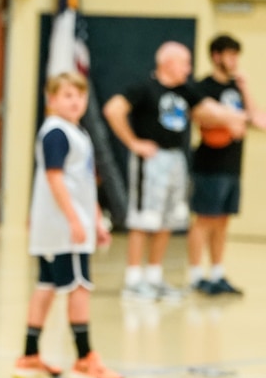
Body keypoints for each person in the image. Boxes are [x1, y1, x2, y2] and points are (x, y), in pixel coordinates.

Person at [103, 41, 247, 300]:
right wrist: (133, 142)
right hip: (151, 159)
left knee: (167, 218)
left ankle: (154, 277)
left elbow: (210, 110)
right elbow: (113, 109)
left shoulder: (185, 90)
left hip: (175, 159)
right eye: (185, 63)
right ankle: (134, 279)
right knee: (143, 218)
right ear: (167, 63)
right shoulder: (144, 87)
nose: (188, 68)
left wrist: (240, 117)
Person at [13, 72, 123, 378]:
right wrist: (77, 221)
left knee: (47, 286)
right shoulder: (56, 133)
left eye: (79, 96)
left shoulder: (76, 132)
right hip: (64, 229)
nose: (75, 102)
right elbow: (55, 178)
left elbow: (84, 185)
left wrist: (97, 220)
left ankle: (30, 355)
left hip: (62, 227)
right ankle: (85, 358)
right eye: (67, 96)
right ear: (51, 100)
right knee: (79, 287)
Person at [187, 34, 266, 296]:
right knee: (204, 220)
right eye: (230, 55)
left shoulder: (235, 87)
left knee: (223, 221)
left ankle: (217, 272)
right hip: (210, 164)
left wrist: (244, 88)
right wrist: (229, 122)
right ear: (216, 56)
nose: (234, 61)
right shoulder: (202, 86)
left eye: (237, 55)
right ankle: (196, 274)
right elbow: (201, 117)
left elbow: (257, 119)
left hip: (233, 164)